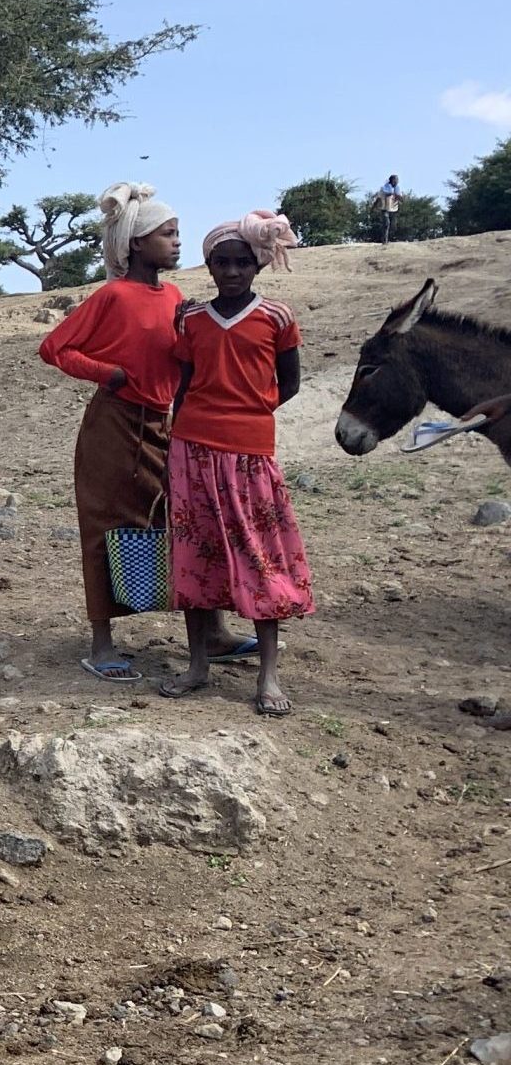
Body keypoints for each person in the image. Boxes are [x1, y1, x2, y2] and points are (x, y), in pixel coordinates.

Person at [39, 181, 255, 681]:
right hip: (113, 427)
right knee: (104, 527)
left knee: (188, 521)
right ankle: (101, 643)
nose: (178, 242)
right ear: (137, 243)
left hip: (165, 423)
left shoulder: (177, 295)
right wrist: (108, 374)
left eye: (178, 233)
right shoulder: (113, 295)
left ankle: (213, 633)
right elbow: (55, 348)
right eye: (168, 234)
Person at [157, 214, 314, 715]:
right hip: (191, 448)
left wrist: (247, 414)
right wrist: (172, 451)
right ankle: (198, 666)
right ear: (209, 266)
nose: (230, 271)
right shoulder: (191, 319)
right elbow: (183, 387)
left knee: (260, 556)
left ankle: (269, 676)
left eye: (241, 262)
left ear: (257, 265)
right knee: (195, 554)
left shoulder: (278, 318)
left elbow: (287, 384)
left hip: (250, 453)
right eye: (221, 262)